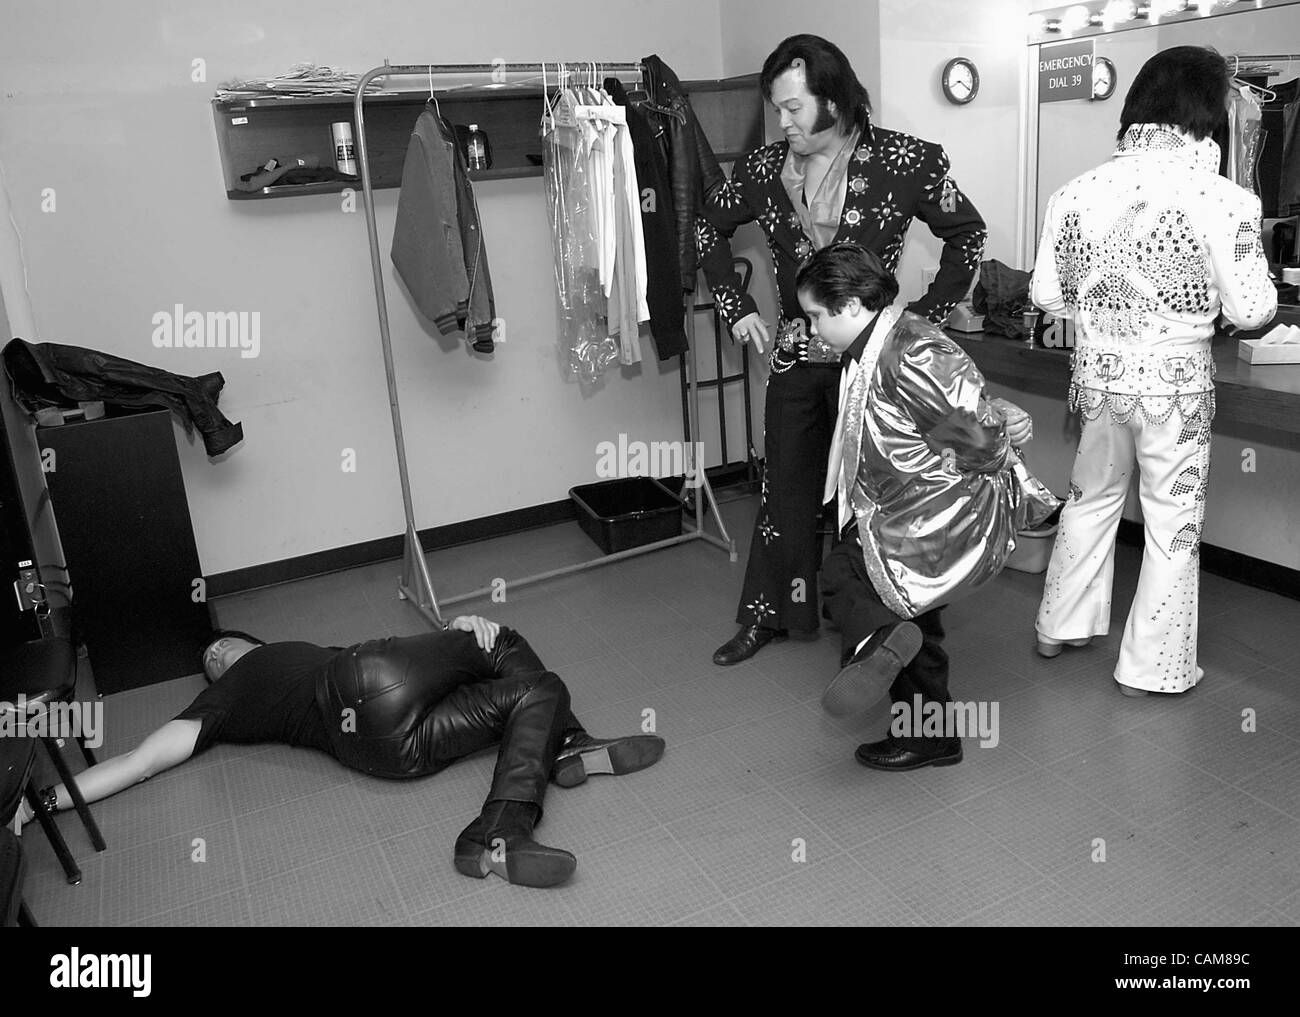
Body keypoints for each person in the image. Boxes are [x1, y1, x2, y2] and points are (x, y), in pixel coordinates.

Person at [699, 34, 999, 667]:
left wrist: (922, 322)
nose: (781, 123)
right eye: (775, 109)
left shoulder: (905, 160)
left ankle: (873, 623)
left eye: (792, 109)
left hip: (875, 368)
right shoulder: (762, 169)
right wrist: (738, 306)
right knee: (784, 487)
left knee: (880, 495)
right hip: (795, 360)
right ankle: (769, 614)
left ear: (832, 101)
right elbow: (706, 226)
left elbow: (967, 234)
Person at [16, 616, 665, 889]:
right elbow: (141, 759)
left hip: (388, 743)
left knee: (537, 690)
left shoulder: (290, 656)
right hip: (365, 693)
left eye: (223, 648)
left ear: (251, 643)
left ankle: (497, 830)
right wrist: (40, 799)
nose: (220, 657)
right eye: (212, 660)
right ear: (219, 675)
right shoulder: (220, 706)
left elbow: (419, 672)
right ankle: (569, 744)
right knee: (496, 637)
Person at [1030, 46, 1276, 696]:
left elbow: (1047, 297)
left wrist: (1103, 308)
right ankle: (1150, 667)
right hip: (1177, 391)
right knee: (1173, 525)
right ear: (1211, 110)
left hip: (1099, 382)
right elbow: (1252, 309)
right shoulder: (1226, 200)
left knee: (1090, 499)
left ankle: (1059, 622)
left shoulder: (1074, 191)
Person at [799, 243, 1056, 770]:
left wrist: (1000, 426)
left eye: (816, 316)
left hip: (931, 509)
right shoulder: (883, 341)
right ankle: (929, 730)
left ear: (849, 304)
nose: (813, 330)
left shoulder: (910, 351)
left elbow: (974, 441)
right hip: (904, 503)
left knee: (855, 581)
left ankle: (889, 662)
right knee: (912, 617)